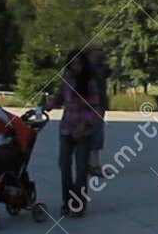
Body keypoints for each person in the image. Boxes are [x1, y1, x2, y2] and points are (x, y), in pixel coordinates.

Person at [45, 54, 103, 217]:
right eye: (72, 64)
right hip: (66, 129)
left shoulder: (90, 83)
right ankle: (67, 201)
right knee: (64, 165)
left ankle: (78, 204)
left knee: (81, 169)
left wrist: (85, 125)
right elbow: (58, 98)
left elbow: (97, 109)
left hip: (84, 131)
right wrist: (47, 105)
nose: (75, 67)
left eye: (78, 64)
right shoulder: (66, 81)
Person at [86, 43, 111, 178]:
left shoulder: (100, 68)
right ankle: (92, 165)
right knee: (94, 135)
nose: (100, 55)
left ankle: (92, 163)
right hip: (90, 106)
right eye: (96, 52)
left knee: (96, 135)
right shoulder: (88, 70)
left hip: (98, 105)